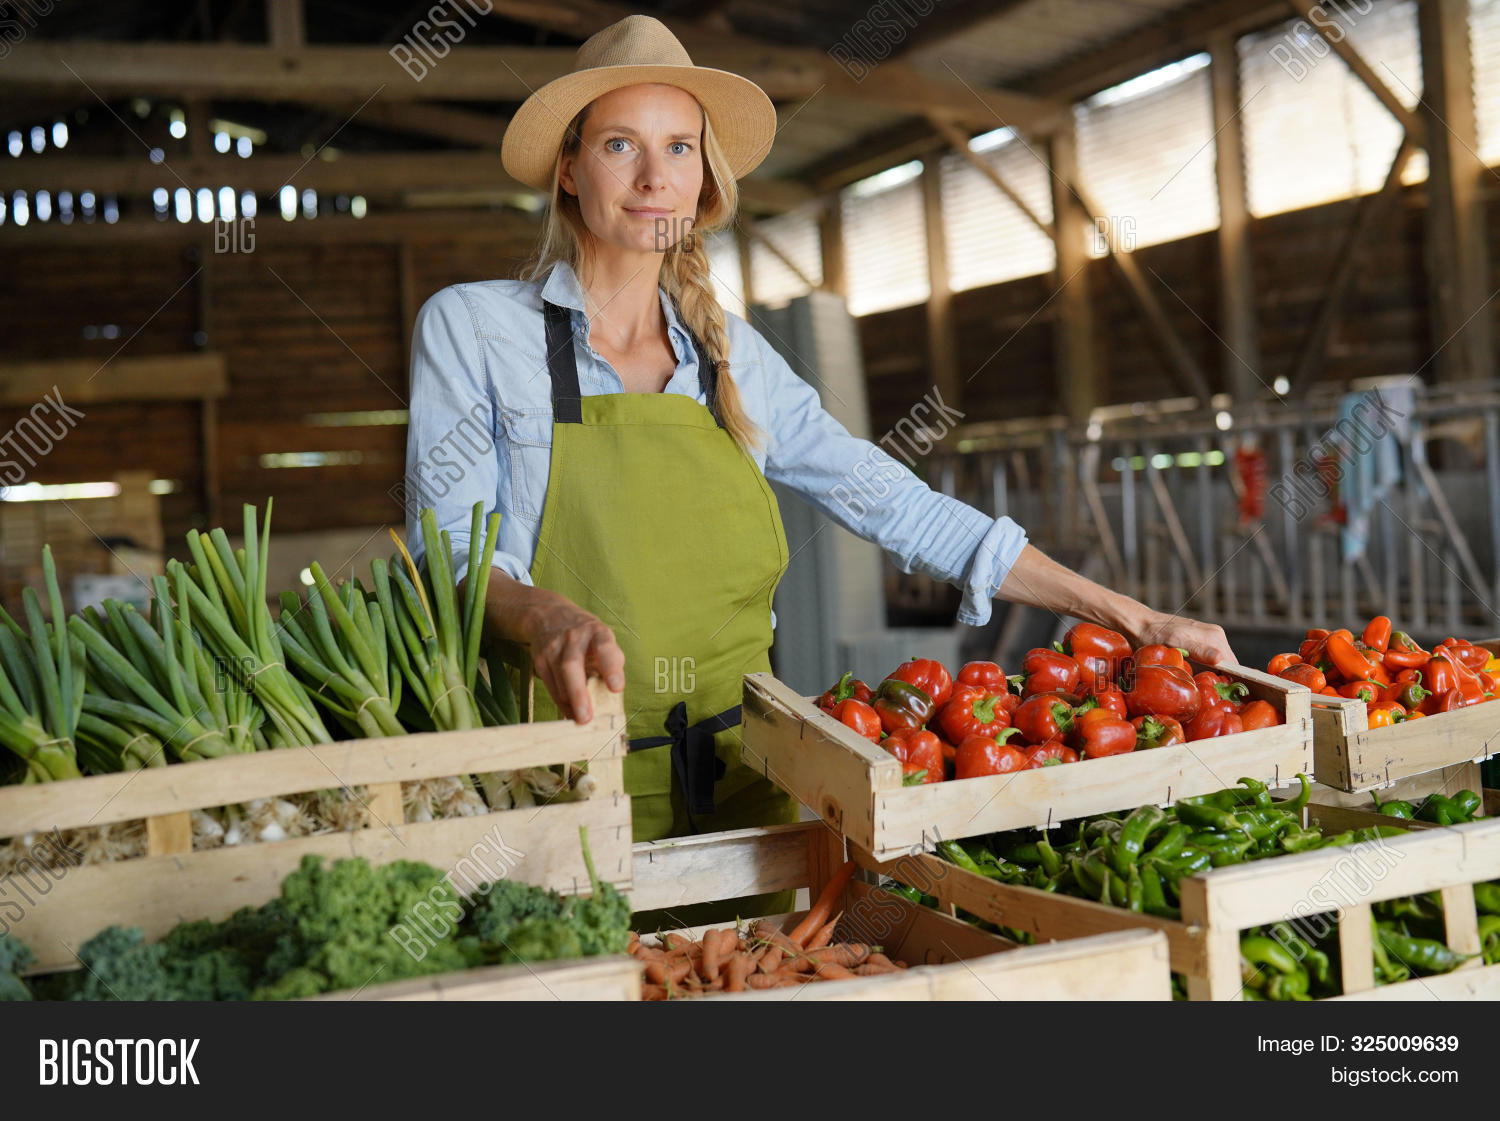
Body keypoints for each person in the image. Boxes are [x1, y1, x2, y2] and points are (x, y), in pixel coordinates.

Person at [405, 15, 1234, 845]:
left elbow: (895, 505)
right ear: (568, 170)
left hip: (742, 782)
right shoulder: (475, 329)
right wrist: (543, 611)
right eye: (621, 145)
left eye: (680, 148)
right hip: (558, 779)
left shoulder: (732, 356)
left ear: (703, 180)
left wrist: (1134, 618)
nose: (654, 175)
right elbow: (449, 554)